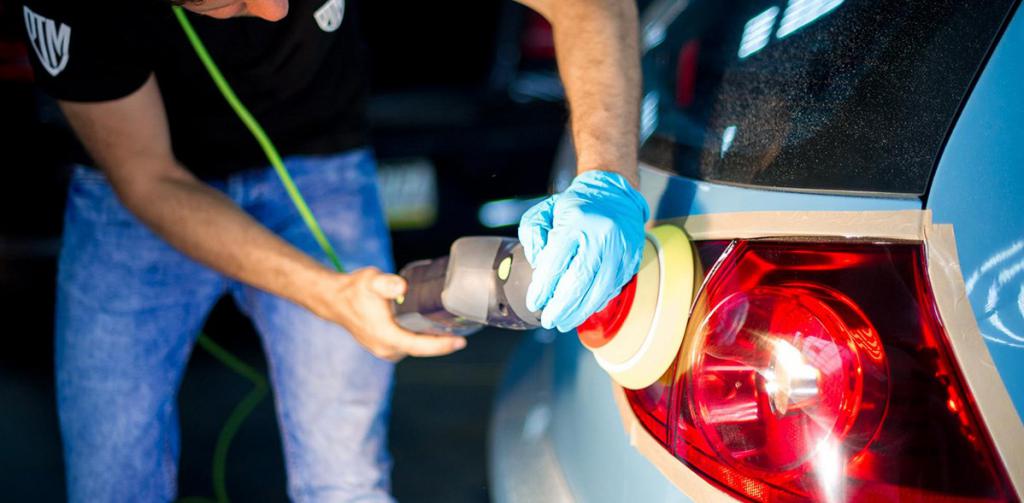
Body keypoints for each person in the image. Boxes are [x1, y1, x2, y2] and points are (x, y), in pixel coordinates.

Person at [20, 0, 648, 500]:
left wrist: (607, 181)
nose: (275, 10)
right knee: (111, 475)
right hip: (133, 193)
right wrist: (329, 294)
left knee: (346, 479)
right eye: (227, 3)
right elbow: (147, 179)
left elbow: (589, 3)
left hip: (318, 167)